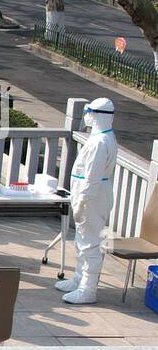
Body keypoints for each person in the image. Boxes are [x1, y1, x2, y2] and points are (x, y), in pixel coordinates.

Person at [56, 98, 118, 305]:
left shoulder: (101, 143)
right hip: (90, 196)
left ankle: (88, 289)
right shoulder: (100, 138)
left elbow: (92, 177)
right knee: (82, 242)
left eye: (89, 112)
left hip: (92, 198)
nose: (86, 115)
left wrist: (83, 201)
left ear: (97, 115)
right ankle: (78, 279)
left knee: (90, 244)